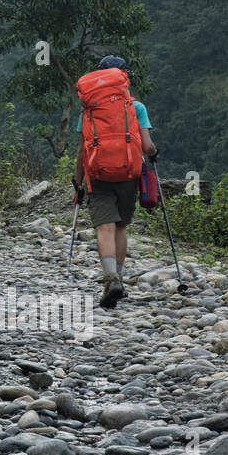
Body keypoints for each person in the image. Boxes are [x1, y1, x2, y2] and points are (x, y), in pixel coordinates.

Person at [72, 55, 158, 309]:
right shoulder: (136, 107)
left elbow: (81, 151)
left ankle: (110, 279)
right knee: (120, 227)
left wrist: (78, 182)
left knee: (104, 228)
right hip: (129, 173)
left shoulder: (89, 110)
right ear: (123, 77)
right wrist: (154, 154)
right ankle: (119, 277)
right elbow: (147, 146)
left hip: (97, 174)